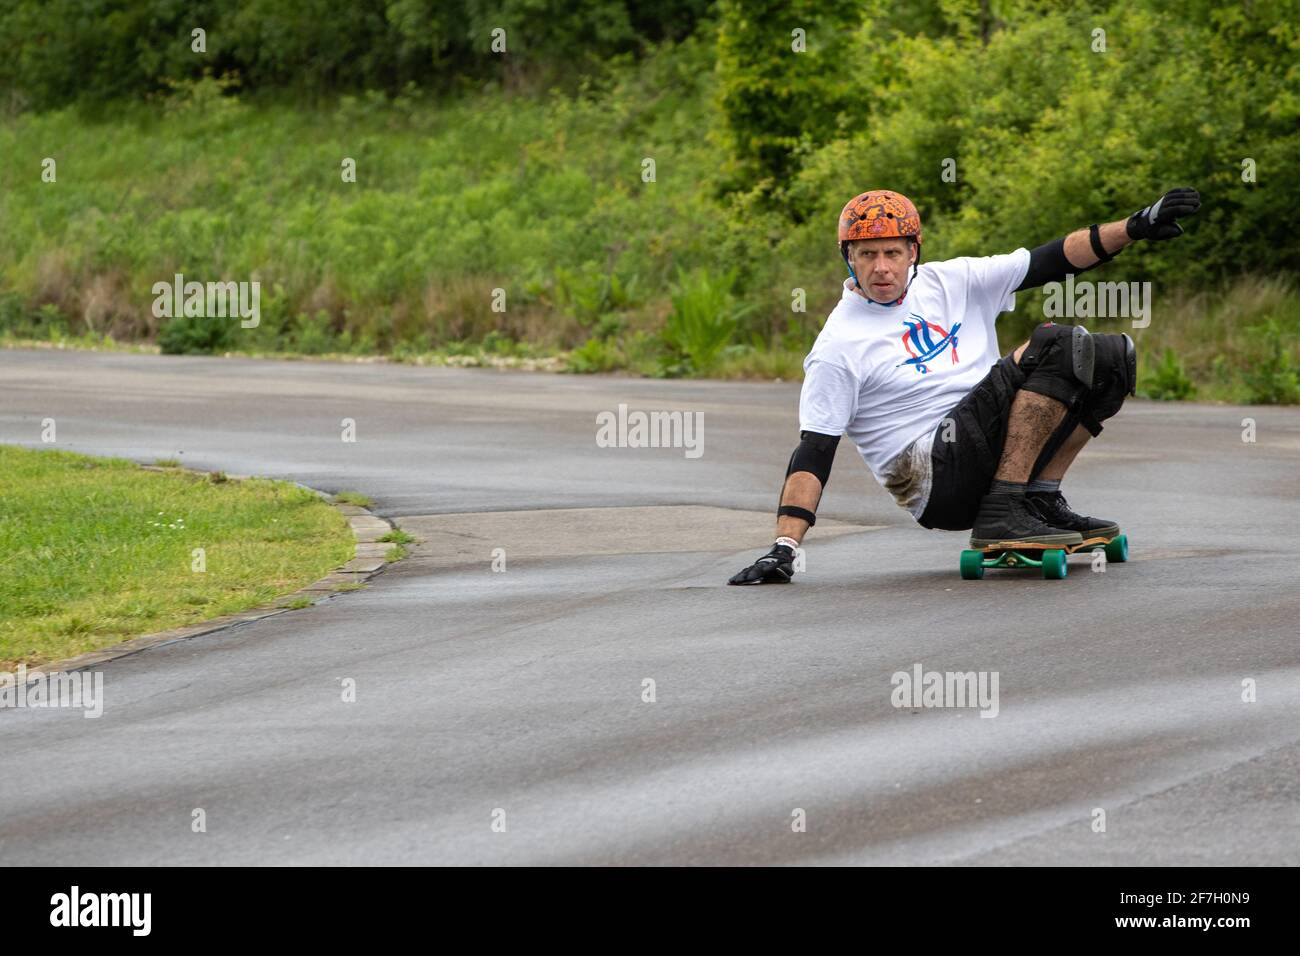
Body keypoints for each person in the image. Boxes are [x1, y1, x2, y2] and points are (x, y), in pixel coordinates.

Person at [729, 186, 1200, 584]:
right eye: (866, 255)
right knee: (1056, 345)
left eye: (892, 252)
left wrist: (1134, 227)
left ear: (913, 251)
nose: (881, 268)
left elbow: (1052, 261)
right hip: (936, 479)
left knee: (1112, 357)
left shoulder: (951, 281)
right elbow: (813, 451)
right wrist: (784, 548)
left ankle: (1037, 496)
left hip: (985, 448)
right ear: (847, 258)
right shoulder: (838, 345)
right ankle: (1006, 508)